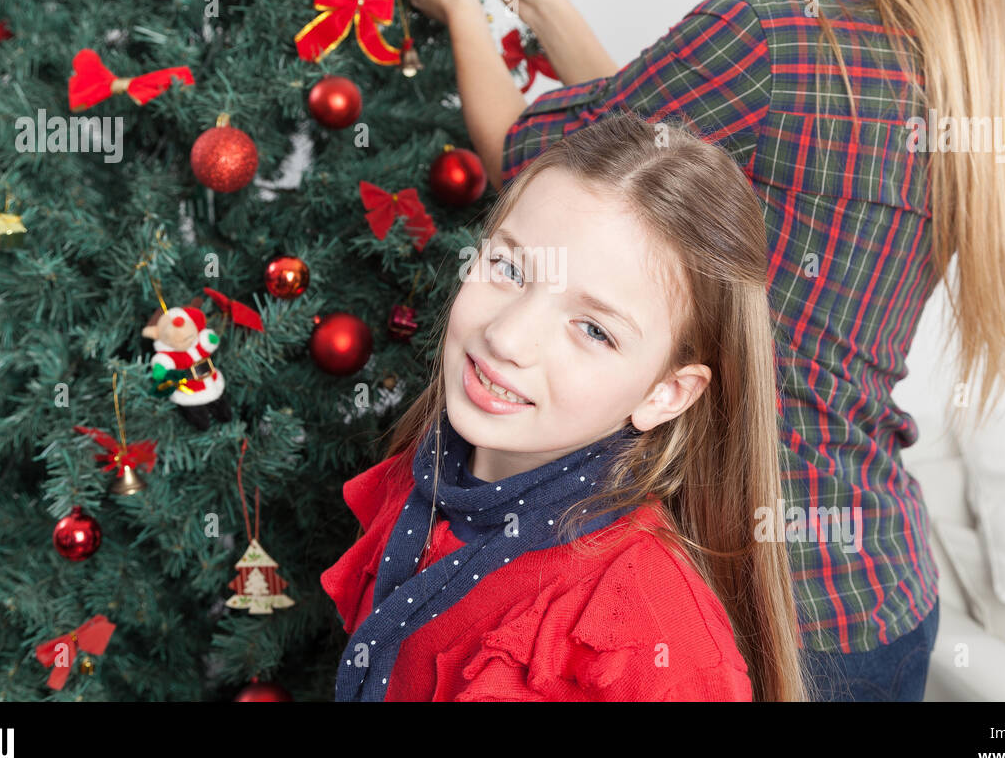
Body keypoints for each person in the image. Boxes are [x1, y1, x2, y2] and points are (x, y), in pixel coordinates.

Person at [400, 0, 1005, 700]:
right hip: (882, 592)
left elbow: (539, 164)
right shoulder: (949, 67)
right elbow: (649, 166)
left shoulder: (768, 39)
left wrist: (459, 6)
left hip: (750, 596)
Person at [321, 112, 809, 701]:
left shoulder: (654, 641)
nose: (506, 338)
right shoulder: (418, 479)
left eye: (594, 330)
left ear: (666, 394)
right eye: (507, 268)